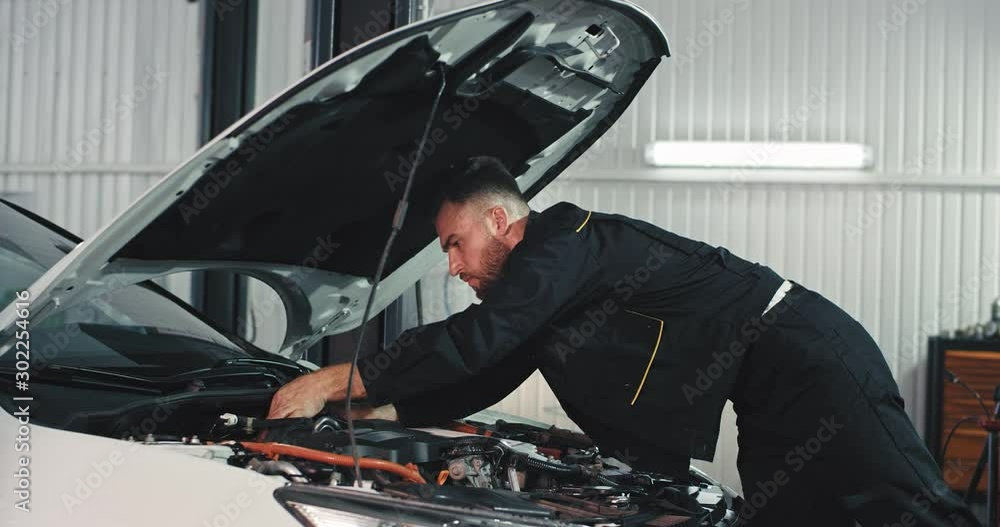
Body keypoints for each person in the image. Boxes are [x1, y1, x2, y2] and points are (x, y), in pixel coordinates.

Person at [268, 156, 980, 526]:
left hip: (813, 355)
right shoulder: (541, 290)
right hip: (766, 391)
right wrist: (373, 416)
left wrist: (335, 380)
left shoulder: (559, 243)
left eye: (455, 244)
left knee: (911, 511)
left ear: (497, 220)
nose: (451, 266)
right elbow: (480, 374)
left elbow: (478, 340)